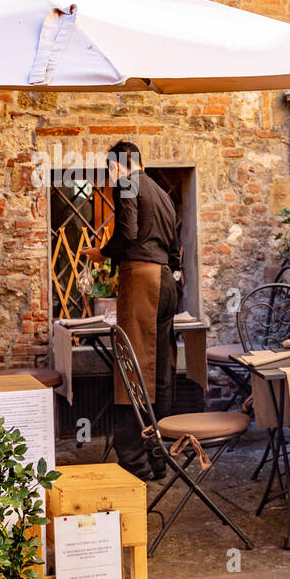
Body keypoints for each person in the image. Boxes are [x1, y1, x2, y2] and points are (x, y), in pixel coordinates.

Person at [82, 141, 180, 481]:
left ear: (117, 166)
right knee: (161, 370)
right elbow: (174, 248)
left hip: (143, 282)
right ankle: (159, 459)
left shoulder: (128, 183)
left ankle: (134, 463)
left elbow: (127, 233)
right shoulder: (162, 192)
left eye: (110, 170)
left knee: (133, 369)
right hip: (167, 282)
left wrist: (102, 254)